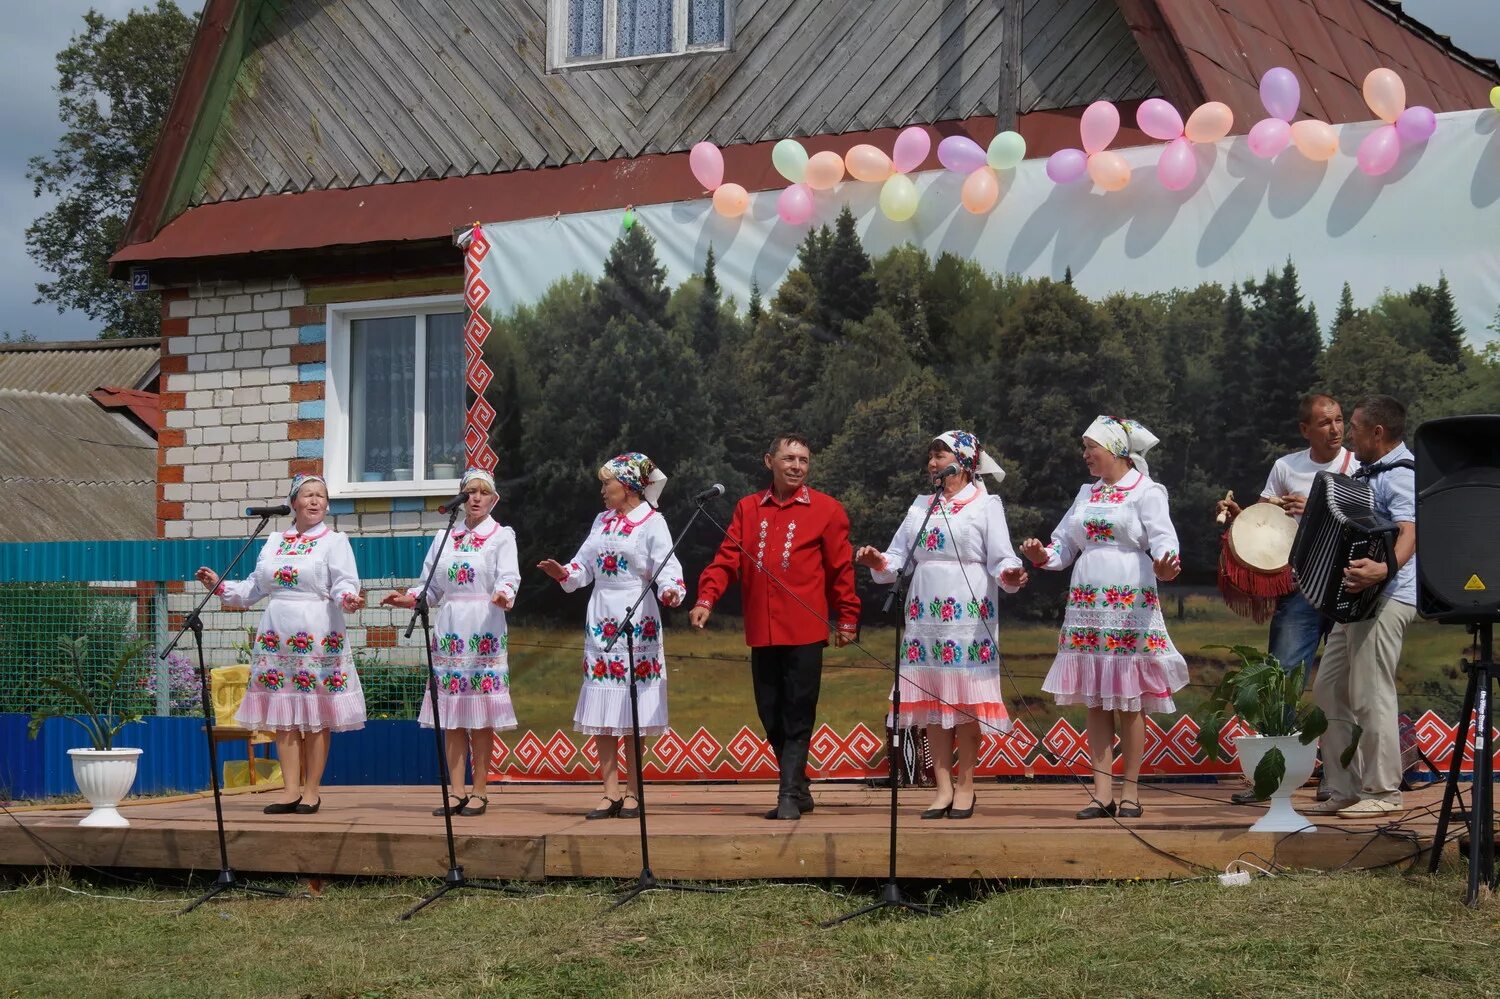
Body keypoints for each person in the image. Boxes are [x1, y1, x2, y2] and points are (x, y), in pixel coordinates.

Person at [855, 431, 1028, 820]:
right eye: (930, 457)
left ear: (964, 461)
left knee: (965, 706)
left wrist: (1013, 574)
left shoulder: (986, 505)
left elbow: (1002, 558)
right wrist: (878, 562)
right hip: (924, 615)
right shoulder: (921, 506)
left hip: (968, 617)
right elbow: (900, 555)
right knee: (932, 704)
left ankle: (966, 786)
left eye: (940, 455)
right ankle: (942, 787)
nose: (932, 463)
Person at [1021, 416, 1186, 820]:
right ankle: (1101, 793)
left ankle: (1130, 791)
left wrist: (1166, 565)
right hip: (1086, 604)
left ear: (1114, 449)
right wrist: (1043, 555)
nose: (1085, 455)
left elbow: (1164, 540)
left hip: (1129, 601)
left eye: (1090, 446)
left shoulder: (1146, 491)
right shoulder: (1086, 494)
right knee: (1095, 698)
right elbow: (1063, 546)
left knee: (1129, 701)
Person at [691, 433, 861, 821]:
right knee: (770, 712)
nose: (797, 466)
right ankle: (799, 788)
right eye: (789, 458)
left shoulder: (828, 510)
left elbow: (840, 570)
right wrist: (707, 598)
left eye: (803, 460)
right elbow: (726, 559)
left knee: (798, 712)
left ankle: (787, 797)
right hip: (762, 631)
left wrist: (847, 616)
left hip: (806, 630)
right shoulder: (748, 509)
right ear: (770, 461)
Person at [195, 473, 366, 815]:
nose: (315, 500)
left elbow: (344, 583)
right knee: (285, 715)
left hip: (317, 633)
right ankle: (289, 791)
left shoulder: (334, 541)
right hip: (277, 636)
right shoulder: (274, 541)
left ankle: (312, 791)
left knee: (316, 715)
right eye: (307, 495)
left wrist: (349, 598)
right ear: (294, 504)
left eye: (321, 495)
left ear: (327, 504)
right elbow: (253, 589)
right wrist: (219, 585)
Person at [1217, 393, 1353, 805]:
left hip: (1349, 583)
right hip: (1300, 585)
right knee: (1282, 678)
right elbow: (1266, 523)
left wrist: (1314, 507)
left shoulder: (1358, 465)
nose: (1335, 429)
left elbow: (1372, 517)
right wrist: (1241, 515)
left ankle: (1337, 778)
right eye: (1325, 422)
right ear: (1304, 429)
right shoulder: (1286, 467)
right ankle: (1273, 776)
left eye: (1340, 420)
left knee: (1342, 684)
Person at [538, 453, 685, 820]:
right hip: (602, 614)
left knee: (632, 708)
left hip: (636, 613)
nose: (603, 490)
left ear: (630, 486)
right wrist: (562, 572)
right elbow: (583, 567)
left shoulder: (652, 522)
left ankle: (634, 792)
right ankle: (609, 792)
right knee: (604, 707)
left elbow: (668, 568)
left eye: (608, 483)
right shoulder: (601, 521)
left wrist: (670, 591)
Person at [381, 468, 519, 818]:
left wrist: (504, 594)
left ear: (493, 499)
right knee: (454, 713)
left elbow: (509, 577)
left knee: (481, 713)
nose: (475, 498)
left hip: (484, 623)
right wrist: (407, 598)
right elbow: (430, 587)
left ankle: (480, 790)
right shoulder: (446, 537)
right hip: (451, 627)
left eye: (482, 492)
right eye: (469, 492)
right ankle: (456, 791)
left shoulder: (501, 536)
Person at [1311, 395, 1418, 818]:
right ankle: (1345, 789)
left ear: (1378, 433)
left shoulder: (1401, 475)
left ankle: (1385, 790)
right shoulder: (1366, 471)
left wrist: (1382, 569)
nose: (1348, 435)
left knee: (1371, 693)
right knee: (1329, 688)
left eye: (1354, 427)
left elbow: (1411, 532)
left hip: (1388, 596)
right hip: (1356, 600)